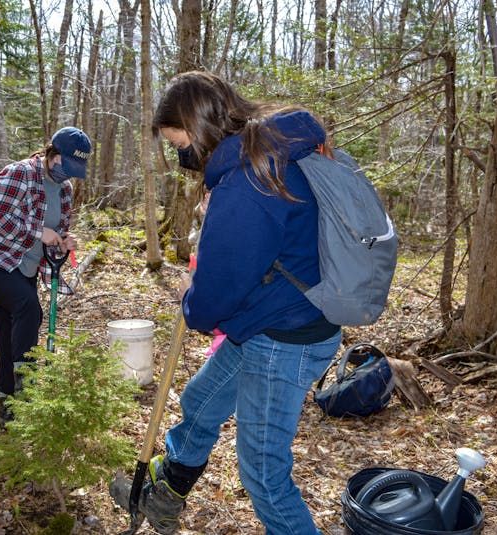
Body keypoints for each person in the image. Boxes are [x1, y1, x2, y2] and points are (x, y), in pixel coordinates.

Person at [112, 71, 342, 534]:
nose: (183, 159)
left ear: (199, 131)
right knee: (202, 397)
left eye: (181, 146)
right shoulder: (268, 154)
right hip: (272, 317)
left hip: (284, 337)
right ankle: (169, 490)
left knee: (264, 475)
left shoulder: (247, 183)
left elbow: (214, 298)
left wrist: (191, 300)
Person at [0, 126, 92, 426]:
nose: (69, 175)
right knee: (28, 307)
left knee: (10, 330)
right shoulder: (18, 174)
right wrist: (40, 232)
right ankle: (26, 393)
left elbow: (55, 234)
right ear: (54, 155)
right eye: (67, 166)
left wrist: (62, 241)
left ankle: (7, 403)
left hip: (24, 267)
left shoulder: (65, 190)